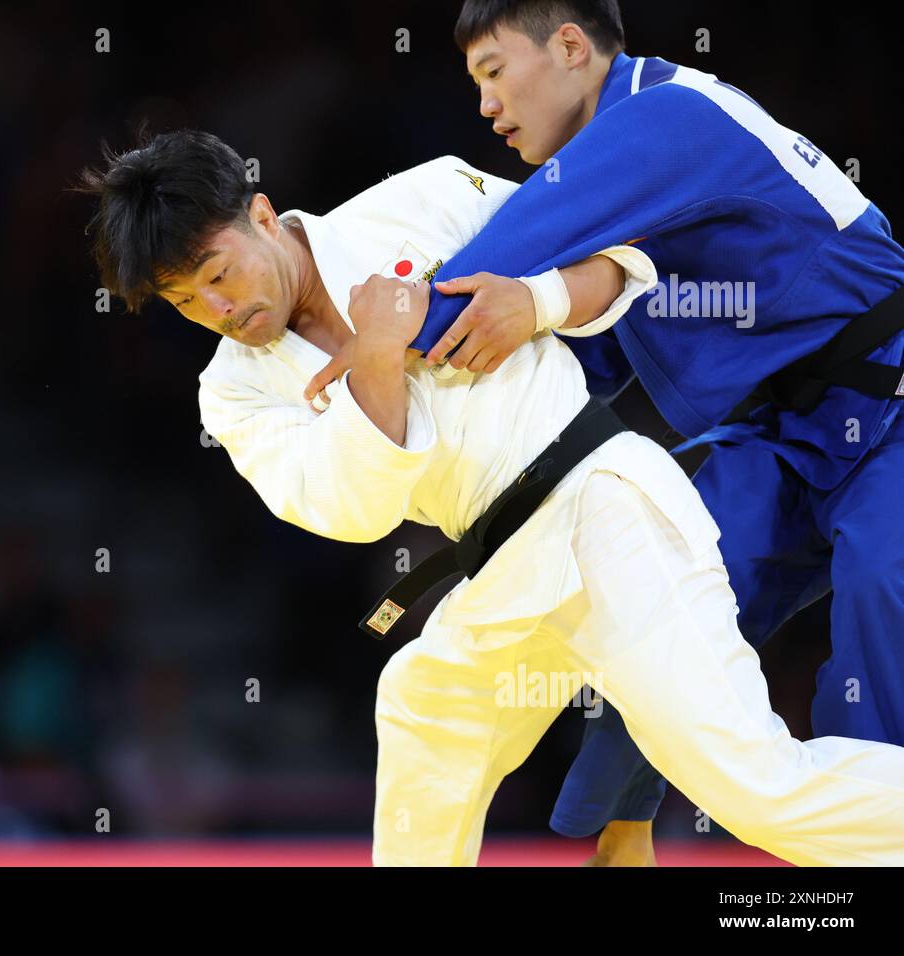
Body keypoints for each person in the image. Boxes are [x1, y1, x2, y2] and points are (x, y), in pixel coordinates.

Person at [78, 129, 904, 865]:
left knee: (754, 786)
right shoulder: (232, 393)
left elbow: (621, 257)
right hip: (507, 563)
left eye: (217, 274)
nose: (219, 310)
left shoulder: (424, 196)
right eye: (187, 303)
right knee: (423, 714)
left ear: (261, 213)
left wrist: (535, 301)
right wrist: (377, 352)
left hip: (605, 503)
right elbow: (352, 512)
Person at [400, 0, 904, 865]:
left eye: (493, 71)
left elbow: (452, 299)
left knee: (881, 582)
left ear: (569, 46)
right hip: (779, 436)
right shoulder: (611, 183)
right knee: (673, 577)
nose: (485, 105)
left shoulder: (664, 119)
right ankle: (625, 829)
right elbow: (565, 379)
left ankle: (875, 846)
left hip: (891, 405)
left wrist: (336, 316)